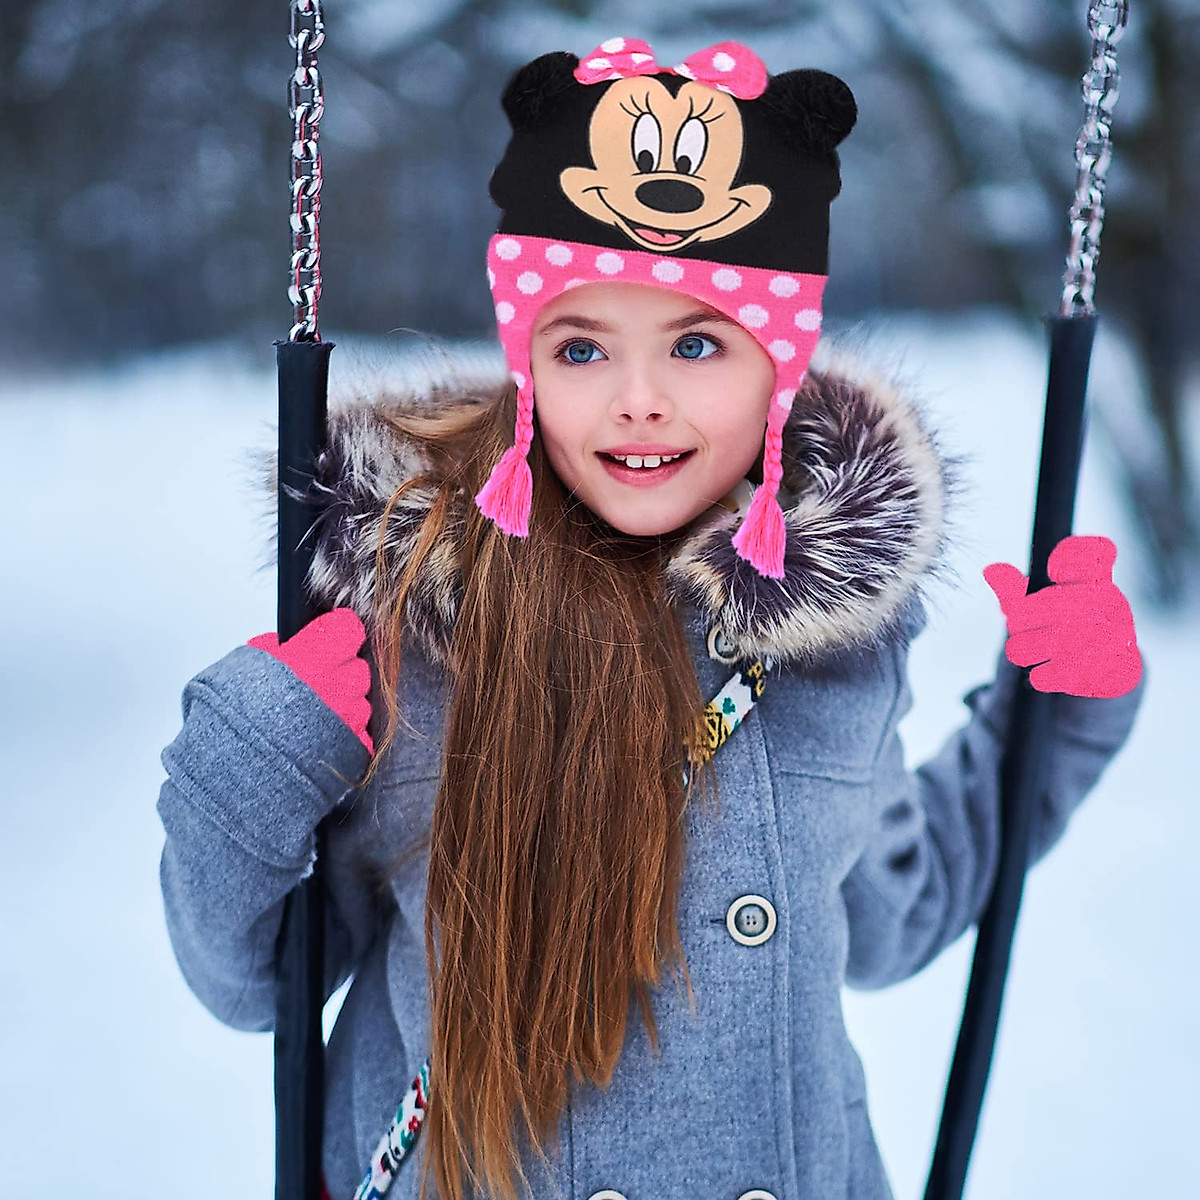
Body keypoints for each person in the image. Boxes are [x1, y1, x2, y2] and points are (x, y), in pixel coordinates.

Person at [156, 37, 1145, 1200]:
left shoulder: (826, 647)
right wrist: (251, 761)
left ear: (779, 366)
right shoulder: (419, 632)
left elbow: (892, 907)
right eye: (581, 346)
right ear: (529, 362)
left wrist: (1059, 720)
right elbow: (260, 980)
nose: (637, 398)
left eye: (695, 343)